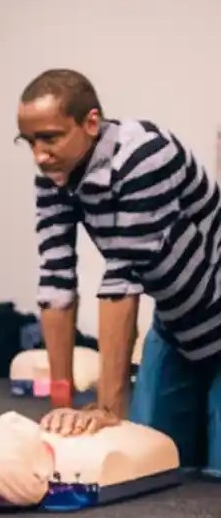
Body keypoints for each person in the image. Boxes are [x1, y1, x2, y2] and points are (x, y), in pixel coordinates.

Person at [19, 68, 221, 477]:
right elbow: (56, 282)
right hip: (177, 329)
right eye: (30, 142)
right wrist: (64, 406)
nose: (40, 155)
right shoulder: (54, 176)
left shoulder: (143, 155)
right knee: (154, 465)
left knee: (213, 481)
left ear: (91, 122)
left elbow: (121, 280)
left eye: (51, 138)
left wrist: (106, 410)